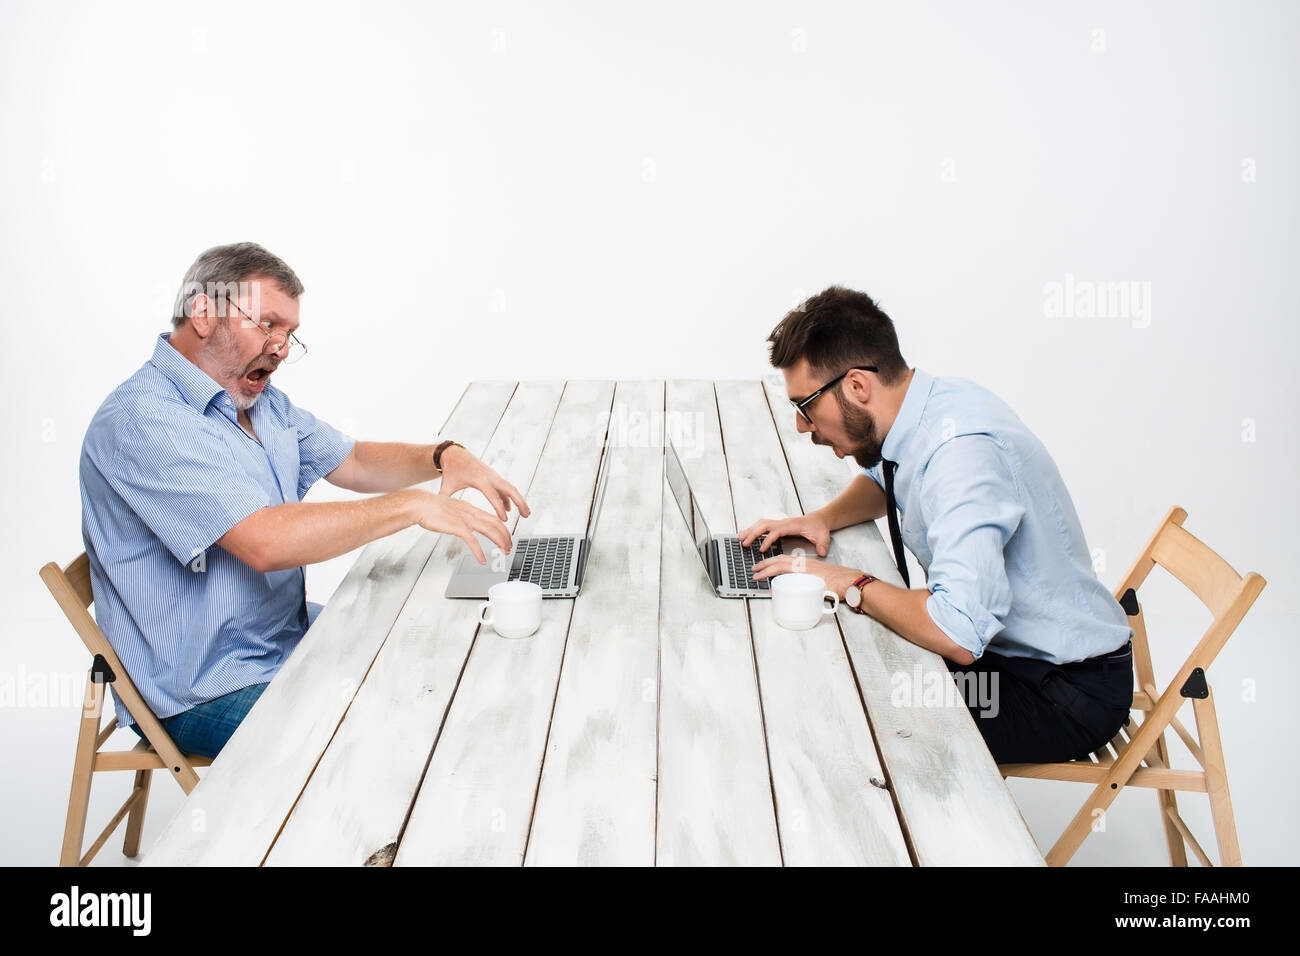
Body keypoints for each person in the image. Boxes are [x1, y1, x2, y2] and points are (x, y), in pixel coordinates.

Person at [80, 242, 528, 758]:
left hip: (280, 637)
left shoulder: (254, 399)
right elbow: (265, 542)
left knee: (435, 650)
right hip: (202, 687)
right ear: (203, 312)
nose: (281, 348)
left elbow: (353, 461)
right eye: (267, 324)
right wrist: (412, 506)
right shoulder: (144, 420)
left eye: (289, 334)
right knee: (392, 735)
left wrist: (444, 456)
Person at [743, 285, 1133, 763]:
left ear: (857, 386)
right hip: (1020, 655)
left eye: (805, 407)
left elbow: (958, 635)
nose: (803, 427)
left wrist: (844, 581)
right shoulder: (928, 406)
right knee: (843, 666)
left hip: (1060, 691)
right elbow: (887, 475)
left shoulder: (961, 453)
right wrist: (821, 519)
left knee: (853, 719)